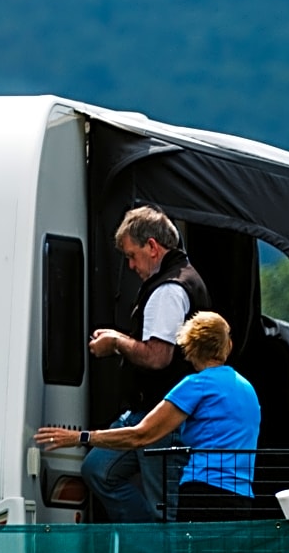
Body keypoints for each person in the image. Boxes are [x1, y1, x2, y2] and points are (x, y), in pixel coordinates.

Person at [39, 310, 264, 521]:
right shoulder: (247, 388)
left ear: (189, 345)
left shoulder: (197, 385)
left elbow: (142, 435)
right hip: (242, 497)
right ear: (229, 345)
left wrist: (81, 438)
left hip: (204, 493)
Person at [77, 207, 209, 522]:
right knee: (98, 471)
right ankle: (150, 543)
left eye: (132, 255)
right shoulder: (178, 279)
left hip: (166, 417)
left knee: (164, 509)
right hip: (146, 409)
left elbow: (157, 357)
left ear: (152, 247)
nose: (131, 265)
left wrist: (116, 343)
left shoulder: (169, 289)